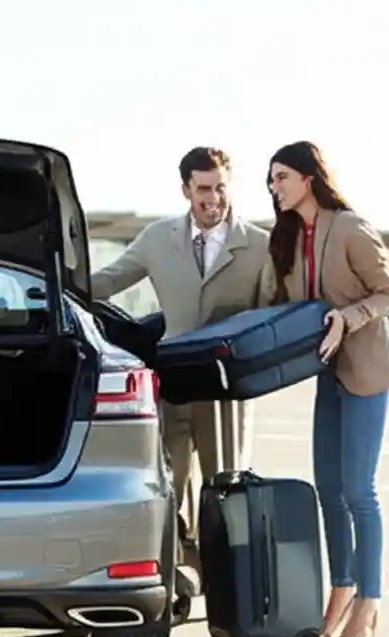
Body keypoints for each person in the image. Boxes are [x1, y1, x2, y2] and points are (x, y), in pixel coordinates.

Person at [257, 140, 389, 637]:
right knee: (328, 488)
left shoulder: (349, 227)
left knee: (359, 490)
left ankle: (369, 602)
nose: (275, 187)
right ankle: (341, 589)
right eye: (271, 179)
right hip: (329, 373)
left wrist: (348, 317)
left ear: (308, 178)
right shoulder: (287, 237)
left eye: (282, 176)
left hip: (368, 369)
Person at [91, 146, 271, 571]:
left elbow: (273, 311)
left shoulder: (260, 246)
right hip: (172, 387)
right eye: (203, 189)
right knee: (167, 489)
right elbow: (109, 281)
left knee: (226, 492)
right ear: (186, 189)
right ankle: (177, 577)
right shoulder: (158, 238)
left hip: (225, 393)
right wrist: (50, 279)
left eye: (220, 188)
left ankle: (228, 583)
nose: (213, 198)